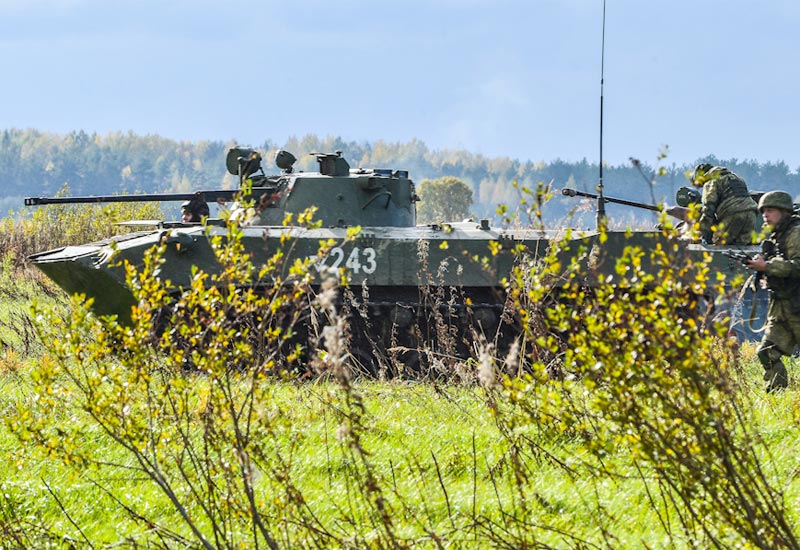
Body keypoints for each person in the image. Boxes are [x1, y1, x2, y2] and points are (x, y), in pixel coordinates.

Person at [745, 190, 800, 392]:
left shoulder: (796, 234)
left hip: (796, 305)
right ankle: (777, 394)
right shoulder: (779, 237)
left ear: (784, 211)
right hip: (784, 307)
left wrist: (768, 266)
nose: (765, 215)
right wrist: (762, 268)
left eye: (770, 210)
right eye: (763, 211)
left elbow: (797, 266)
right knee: (767, 351)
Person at [691, 163, 758, 245]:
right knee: (743, 246)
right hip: (751, 214)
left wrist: (702, 229)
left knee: (719, 243)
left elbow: (709, 207)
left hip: (732, 214)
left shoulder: (711, 181)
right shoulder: (737, 179)